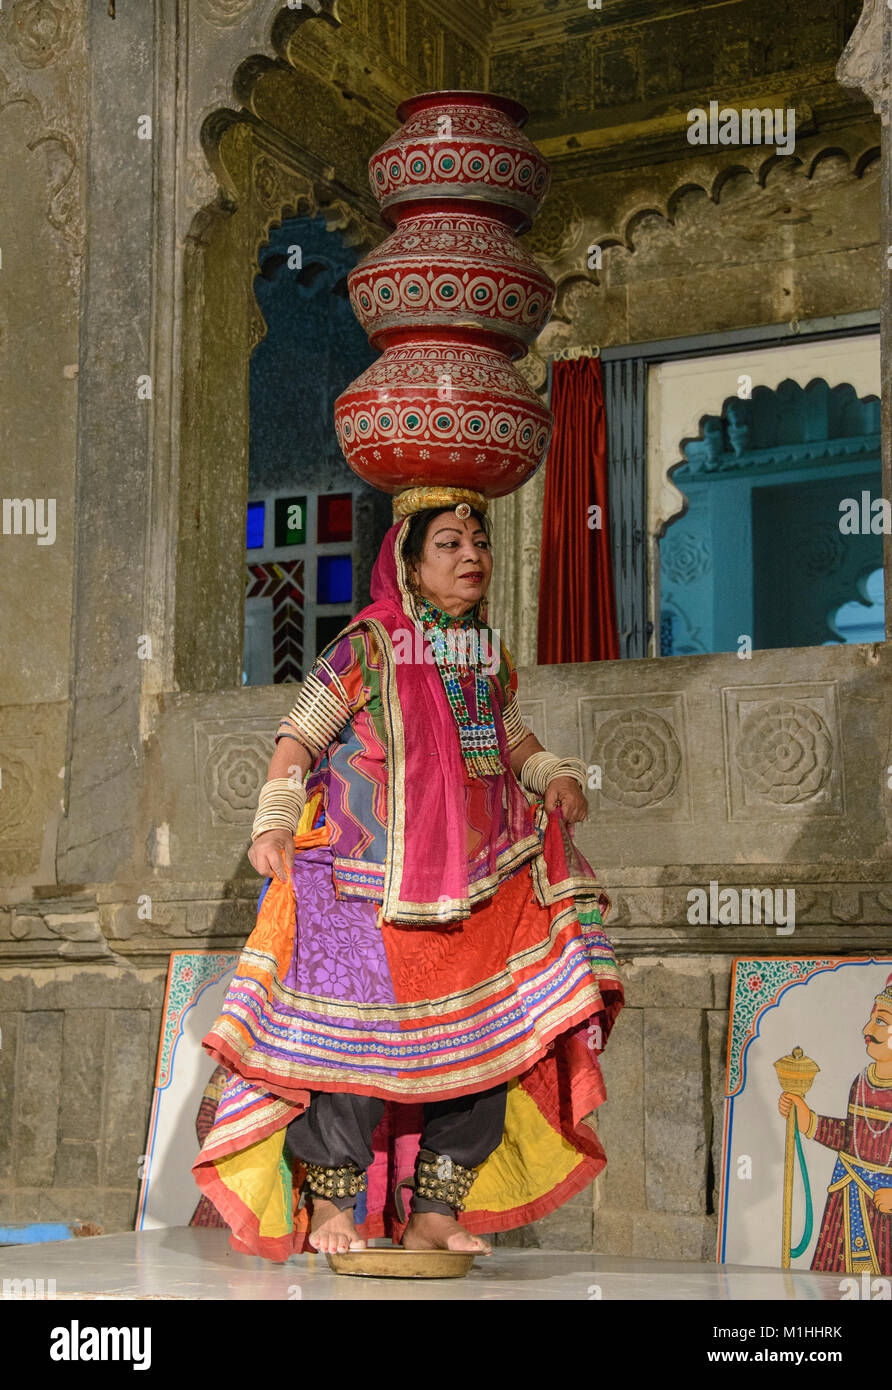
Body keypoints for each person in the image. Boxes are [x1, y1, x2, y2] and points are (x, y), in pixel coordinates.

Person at [192, 493, 623, 1262]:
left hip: (479, 888)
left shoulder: (483, 652)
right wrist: (272, 822)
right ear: (410, 566)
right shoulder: (367, 644)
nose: (472, 557)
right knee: (352, 1047)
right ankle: (335, 1207)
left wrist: (552, 775)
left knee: (491, 1042)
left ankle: (433, 1214)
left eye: (480, 543)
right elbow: (299, 738)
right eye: (451, 544)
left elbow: (511, 737)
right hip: (364, 886)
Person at [779, 974, 892, 1274]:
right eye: (871, 1020)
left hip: (884, 1208)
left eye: (881, 1021)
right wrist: (806, 1118)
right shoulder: (862, 1081)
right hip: (847, 1197)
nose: (866, 1030)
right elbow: (851, 1135)